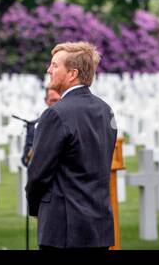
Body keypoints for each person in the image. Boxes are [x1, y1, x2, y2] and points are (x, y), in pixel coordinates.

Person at [25, 41, 117, 249]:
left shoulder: (55, 114)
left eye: (55, 65)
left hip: (63, 228)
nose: (49, 69)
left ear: (72, 74)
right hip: (98, 226)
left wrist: (35, 208)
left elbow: (38, 174)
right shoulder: (105, 110)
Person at [22, 87, 62, 167]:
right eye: (53, 100)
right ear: (46, 101)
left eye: (59, 100)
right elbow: (26, 160)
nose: (56, 104)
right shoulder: (34, 126)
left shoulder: (71, 123)